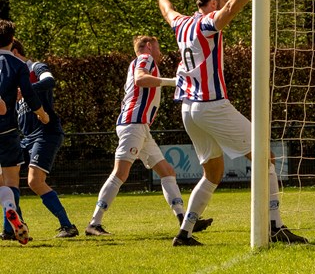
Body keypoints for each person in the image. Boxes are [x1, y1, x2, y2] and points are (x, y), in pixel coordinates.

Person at [151, 0, 307, 246]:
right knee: (265, 157)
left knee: (213, 173)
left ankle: (184, 233)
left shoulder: (181, 24)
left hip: (188, 109)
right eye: (221, 0)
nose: (224, 4)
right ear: (212, 3)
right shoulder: (205, 23)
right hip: (211, 106)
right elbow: (232, 9)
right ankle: (275, 226)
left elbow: (167, 9)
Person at [86, 35, 213, 237]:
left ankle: (184, 220)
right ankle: (94, 223)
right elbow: (140, 79)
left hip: (140, 126)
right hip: (133, 124)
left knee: (167, 172)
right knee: (120, 173)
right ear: (148, 46)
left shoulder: (144, 61)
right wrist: (174, 82)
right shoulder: (146, 59)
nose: (160, 52)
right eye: (158, 47)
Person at [8, 38, 78, 238]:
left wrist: (26, 90)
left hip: (46, 133)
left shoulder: (35, 67)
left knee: (35, 181)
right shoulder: (13, 79)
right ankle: (12, 228)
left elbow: (50, 81)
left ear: (14, 52)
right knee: (5, 178)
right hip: (26, 137)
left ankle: (68, 226)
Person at [0, 20, 49, 243]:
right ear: (12, 40)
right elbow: (28, 94)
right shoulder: (18, 65)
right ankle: (12, 213)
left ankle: (10, 214)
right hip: (8, 130)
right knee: (11, 180)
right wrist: (42, 114)